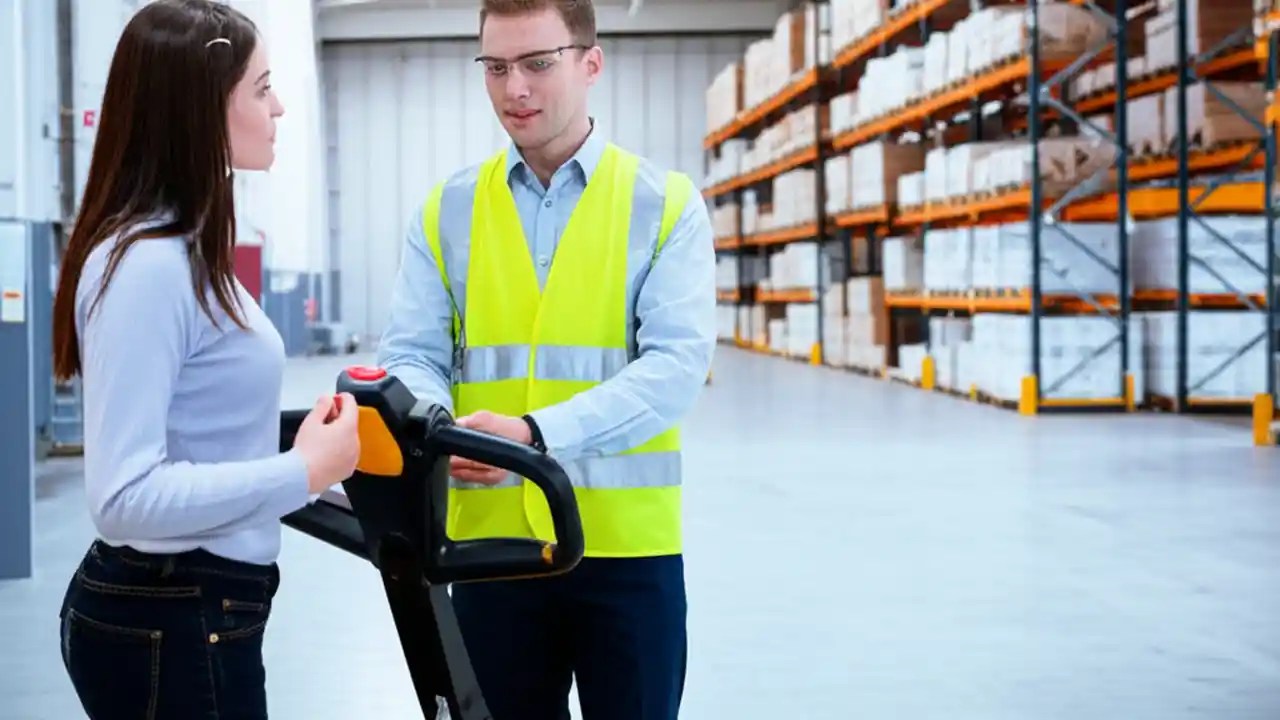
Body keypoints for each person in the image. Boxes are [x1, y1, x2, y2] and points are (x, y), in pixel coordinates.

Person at [375, 0, 716, 717]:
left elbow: (674, 370)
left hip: (625, 553)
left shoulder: (665, 205)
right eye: (495, 68)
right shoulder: (447, 211)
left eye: (537, 64)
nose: (514, 90)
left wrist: (533, 437)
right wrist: (440, 425)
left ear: (592, 64)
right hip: (492, 551)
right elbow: (412, 353)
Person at [50, 2, 361, 718]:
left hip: (197, 608)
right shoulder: (148, 265)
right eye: (260, 88)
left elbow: (201, 431)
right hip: (173, 615)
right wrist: (302, 470)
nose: (279, 106)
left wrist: (314, 457)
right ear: (200, 109)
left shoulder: (188, 249)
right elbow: (124, 495)